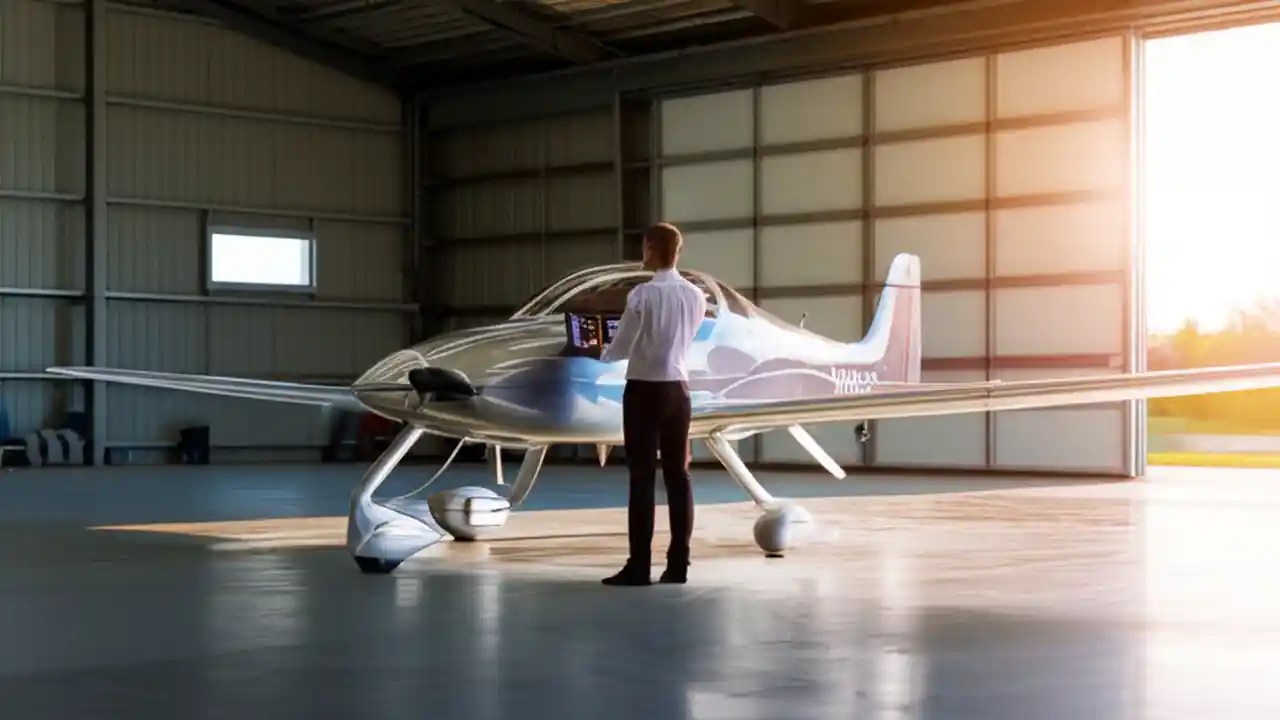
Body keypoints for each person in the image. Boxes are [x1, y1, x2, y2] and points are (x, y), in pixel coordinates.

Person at [599, 223, 706, 587]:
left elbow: (622, 346)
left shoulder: (641, 295)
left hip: (643, 391)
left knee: (642, 478)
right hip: (678, 391)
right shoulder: (696, 296)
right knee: (679, 477)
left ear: (650, 249)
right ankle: (679, 566)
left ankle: (639, 567)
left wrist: (602, 353)